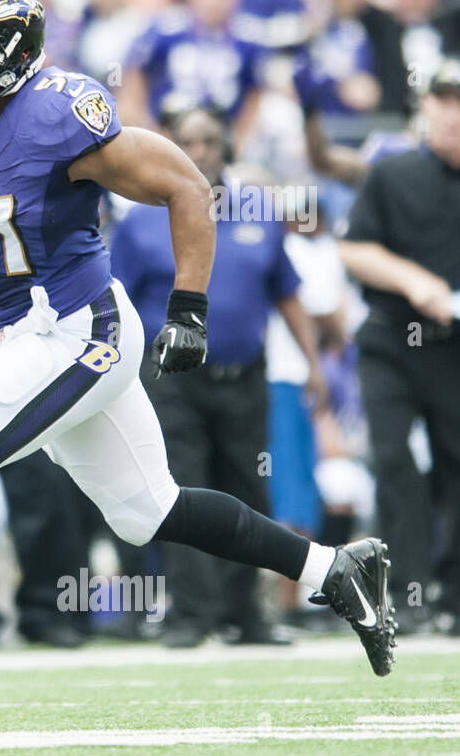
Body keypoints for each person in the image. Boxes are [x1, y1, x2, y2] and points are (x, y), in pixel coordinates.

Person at [0, 0, 396, 718]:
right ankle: (334, 569)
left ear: (14, 55)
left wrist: (189, 306)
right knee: (148, 511)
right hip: (24, 336)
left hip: (80, 329)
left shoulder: (58, 116)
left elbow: (186, 185)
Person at [112, 105, 326, 648]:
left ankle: (245, 614)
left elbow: (288, 294)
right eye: (188, 141)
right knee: (177, 490)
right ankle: (190, 613)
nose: (200, 151)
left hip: (244, 375)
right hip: (168, 378)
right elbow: (113, 301)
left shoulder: (258, 208)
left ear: (227, 147)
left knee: (249, 487)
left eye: (209, 141)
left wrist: (315, 364)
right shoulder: (141, 219)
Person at [337, 58, 460, 635]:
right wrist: (414, 280)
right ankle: (407, 596)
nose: (454, 116)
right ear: (426, 109)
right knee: (393, 459)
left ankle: (457, 598)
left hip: (457, 349)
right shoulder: (391, 174)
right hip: (393, 340)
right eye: (445, 103)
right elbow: (355, 249)